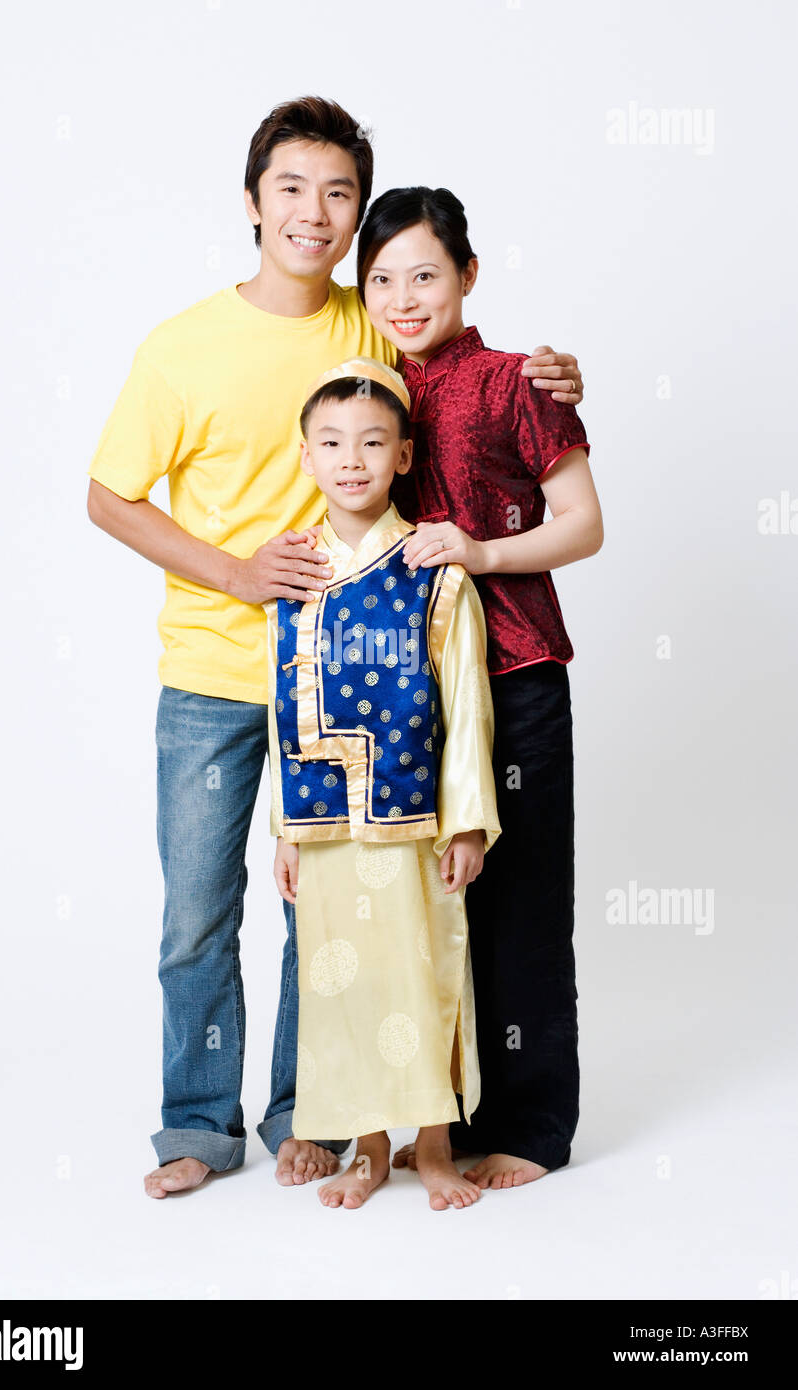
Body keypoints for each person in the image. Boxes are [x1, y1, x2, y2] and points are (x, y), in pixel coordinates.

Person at [85, 93, 584, 1199]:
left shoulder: (371, 317)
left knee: (336, 910)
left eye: (338, 193)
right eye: (292, 189)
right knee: (198, 914)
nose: (315, 212)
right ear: (253, 204)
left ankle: (311, 1112)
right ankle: (197, 1127)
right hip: (217, 669)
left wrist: (552, 379)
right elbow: (107, 497)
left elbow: (453, 340)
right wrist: (233, 572)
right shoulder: (181, 346)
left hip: (362, 679)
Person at [355, 186, 604, 1188]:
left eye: (424, 273)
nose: (404, 297)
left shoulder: (517, 381)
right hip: (410, 688)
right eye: (381, 279)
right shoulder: (369, 391)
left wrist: (477, 548)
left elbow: (581, 524)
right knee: (428, 904)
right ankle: (437, 1117)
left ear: (466, 273)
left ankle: (532, 1123)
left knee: (521, 899)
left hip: (515, 671)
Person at [267, 357, 501, 1210]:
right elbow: (278, 709)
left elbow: (467, 702)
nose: (352, 459)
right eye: (331, 442)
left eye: (372, 441)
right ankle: (367, 1148)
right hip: (325, 823)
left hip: (417, 817)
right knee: (344, 986)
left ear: (405, 455)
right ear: (305, 455)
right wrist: (286, 833)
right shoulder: (293, 575)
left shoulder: (433, 568)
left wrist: (468, 821)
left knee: (426, 972)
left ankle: (432, 1148)